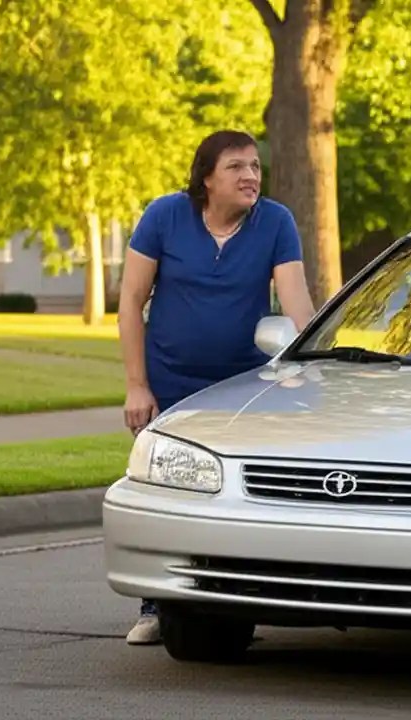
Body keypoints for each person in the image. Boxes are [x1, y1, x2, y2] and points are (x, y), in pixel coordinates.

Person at [116, 129, 315, 645]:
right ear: (206, 178)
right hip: (171, 383)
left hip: (246, 387)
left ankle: (236, 603)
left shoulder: (275, 221)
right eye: (236, 167)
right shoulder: (163, 216)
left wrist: (312, 365)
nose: (251, 175)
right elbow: (131, 301)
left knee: (241, 496)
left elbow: (296, 301)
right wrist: (137, 385)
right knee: (166, 494)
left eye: (254, 166)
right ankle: (156, 605)